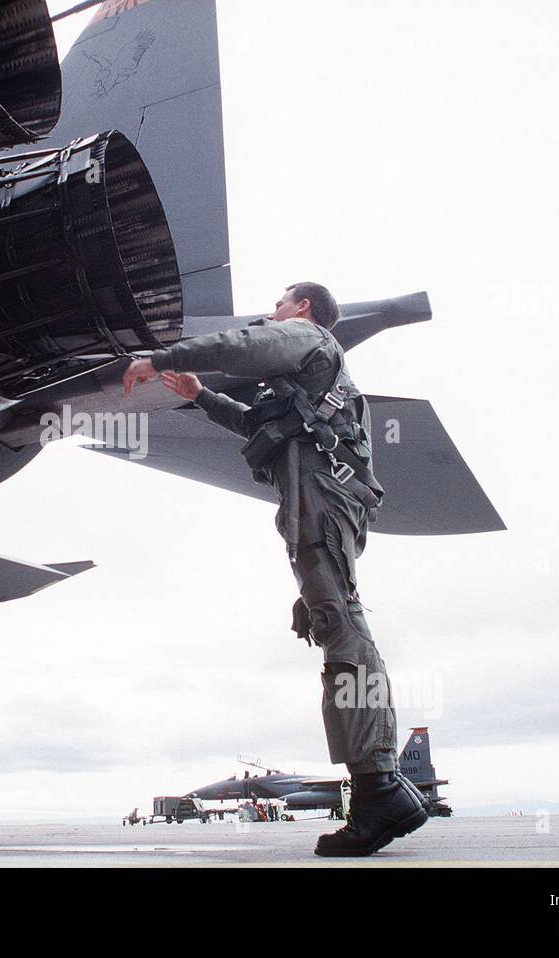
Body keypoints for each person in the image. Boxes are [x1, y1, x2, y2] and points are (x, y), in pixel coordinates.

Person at [122, 281, 428, 856]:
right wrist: (198, 396)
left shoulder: (309, 339)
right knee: (340, 623)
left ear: (304, 308)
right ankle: (383, 784)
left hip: (321, 502)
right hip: (321, 503)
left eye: (281, 302)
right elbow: (265, 428)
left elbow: (240, 345)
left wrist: (160, 358)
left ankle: (378, 788)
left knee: (340, 629)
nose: (273, 310)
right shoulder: (310, 379)